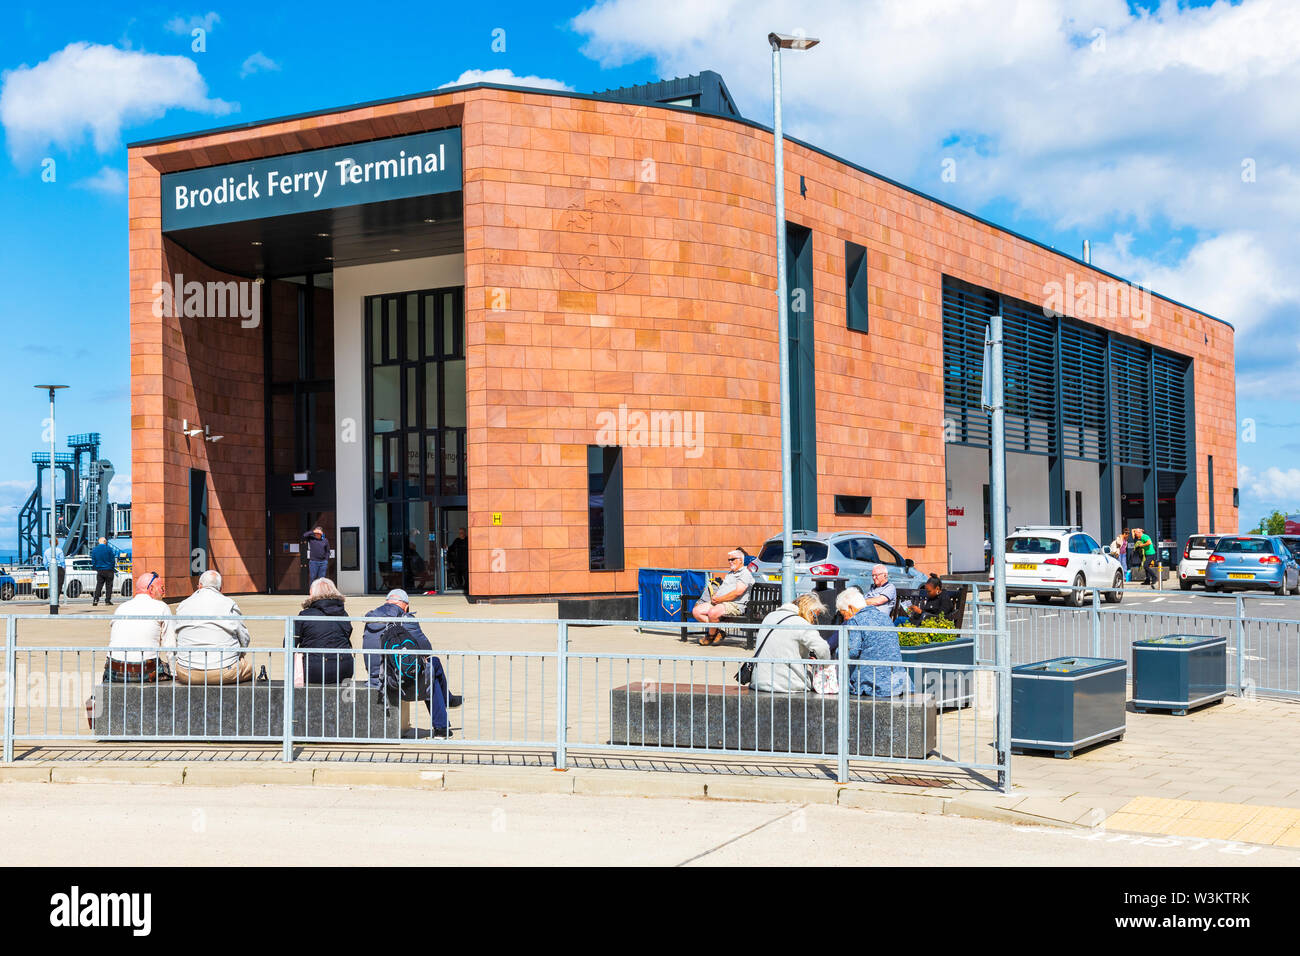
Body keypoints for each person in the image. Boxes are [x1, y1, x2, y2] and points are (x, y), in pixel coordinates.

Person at [363, 589, 462, 737]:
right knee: (432, 668)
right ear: (406, 605)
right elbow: (426, 649)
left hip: (376, 678)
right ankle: (442, 724)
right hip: (397, 680)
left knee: (430, 669)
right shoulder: (405, 619)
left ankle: (448, 702)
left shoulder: (371, 620)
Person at [172, 570, 254, 684]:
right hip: (224, 670)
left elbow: (175, 637)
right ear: (220, 589)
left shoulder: (183, 605)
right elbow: (244, 637)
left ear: (199, 586)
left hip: (187, 673)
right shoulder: (229, 604)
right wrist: (240, 654)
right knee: (250, 670)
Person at [835, 587, 913, 698]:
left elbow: (852, 652)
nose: (845, 619)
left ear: (851, 608)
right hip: (899, 683)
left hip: (874, 684)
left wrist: (838, 651)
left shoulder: (856, 620)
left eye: (844, 614)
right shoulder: (885, 617)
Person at [748, 592, 830, 694]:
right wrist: (826, 666)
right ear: (808, 610)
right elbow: (823, 648)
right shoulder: (801, 623)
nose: (813, 621)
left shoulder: (769, 616)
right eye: (814, 616)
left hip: (759, 682)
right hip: (788, 684)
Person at [104, 571, 175, 683]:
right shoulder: (162, 607)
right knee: (168, 669)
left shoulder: (121, 608)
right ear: (151, 589)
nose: (164, 592)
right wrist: (174, 672)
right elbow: (170, 645)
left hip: (114, 668)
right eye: (161, 588)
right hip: (144, 670)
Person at [294, 577, 355, 683]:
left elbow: (289, 643)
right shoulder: (344, 614)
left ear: (312, 593)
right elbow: (347, 634)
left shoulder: (305, 615)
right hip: (344, 667)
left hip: (313, 669)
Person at [692, 549, 754, 645]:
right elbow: (723, 588)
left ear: (741, 560)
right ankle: (718, 632)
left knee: (712, 612)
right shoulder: (731, 573)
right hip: (721, 602)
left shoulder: (745, 574)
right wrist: (715, 596)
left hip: (735, 604)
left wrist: (720, 599)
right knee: (696, 611)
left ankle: (710, 636)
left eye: (733, 559)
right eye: (729, 560)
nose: (730, 562)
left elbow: (738, 592)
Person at [90, 537, 117, 607]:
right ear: (105, 541)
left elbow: (93, 560)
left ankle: (95, 600)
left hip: (100, 570)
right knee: (109, 586)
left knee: (99, 585)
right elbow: (112, 560)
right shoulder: (109, 549)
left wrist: (96, 568)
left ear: (99, 542)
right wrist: (112, 567)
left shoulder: (95, 549)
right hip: (108, 569)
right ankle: (107, 600)